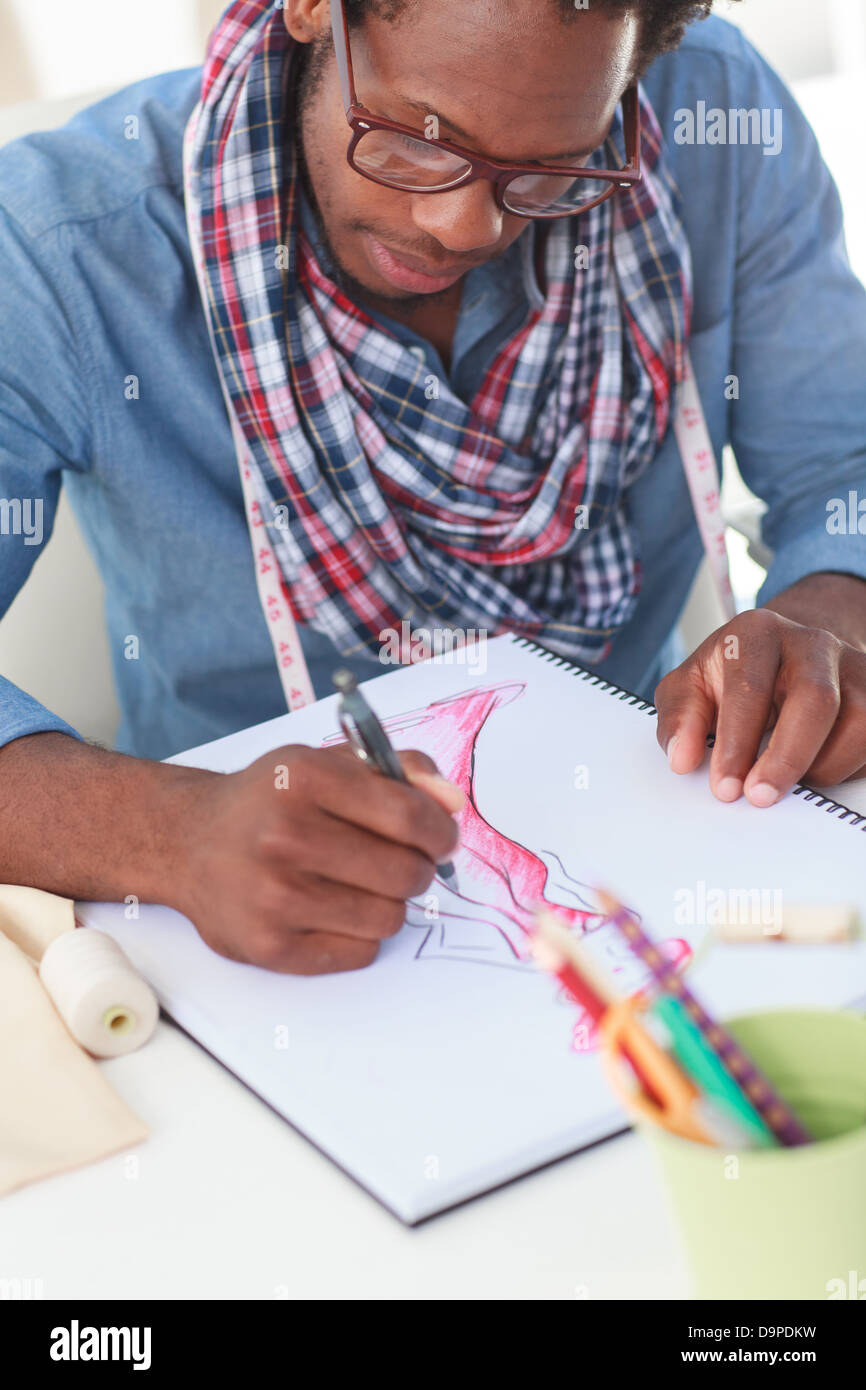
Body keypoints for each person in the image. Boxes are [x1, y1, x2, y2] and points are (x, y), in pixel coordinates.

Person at [1, 0, 864, 973]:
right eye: (417, 137)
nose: (461, 225)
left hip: (662, 839)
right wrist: (164, 835)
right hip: (238, 927)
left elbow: (844, 464)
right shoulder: (61, 244)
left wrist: (835, 608)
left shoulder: (706, 111)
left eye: (548, 166)